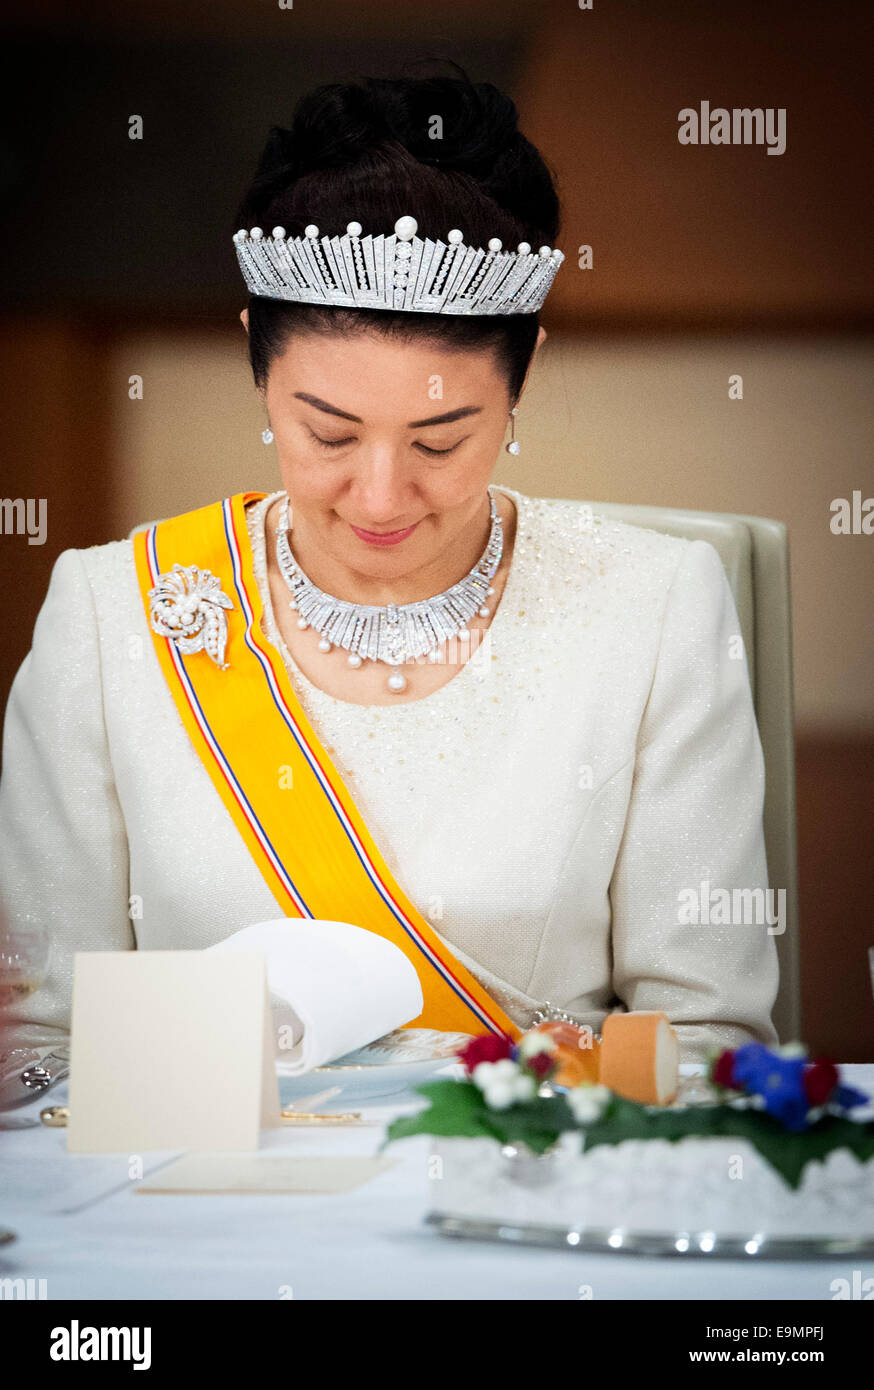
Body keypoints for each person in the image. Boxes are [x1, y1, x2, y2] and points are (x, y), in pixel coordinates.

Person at [0, 70, 778, 1068]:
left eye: (440, 439)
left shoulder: (655, 607)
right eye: (326, 432)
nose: (378, 496)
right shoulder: (111, 616)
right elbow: (44, 1044)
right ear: (256, 364)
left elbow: (705, 1040)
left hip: (525, 1183)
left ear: (522, 376)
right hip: (198, 1197)